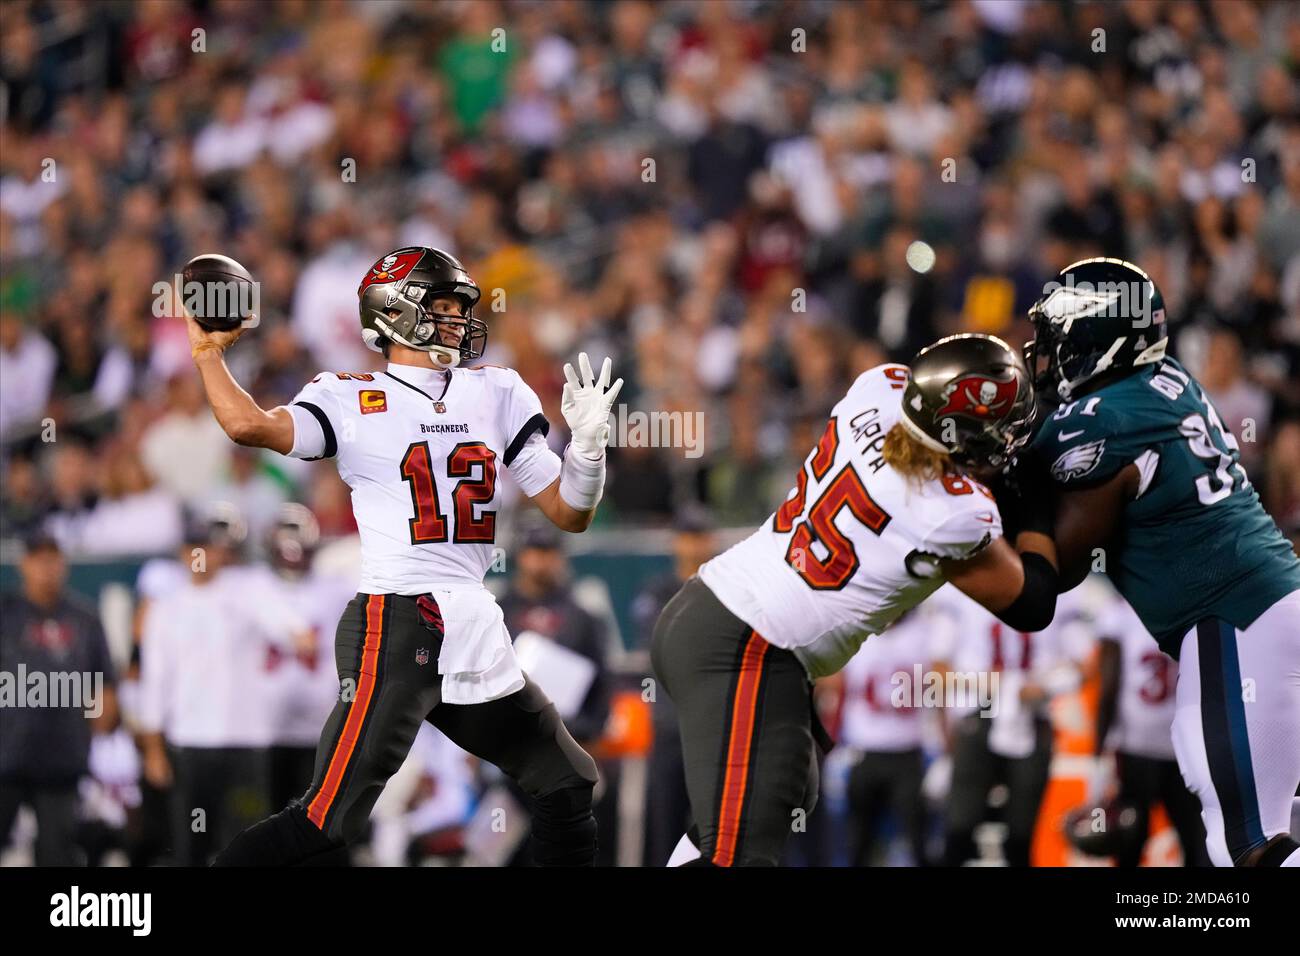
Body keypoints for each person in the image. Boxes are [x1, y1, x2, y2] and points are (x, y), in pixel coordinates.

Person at [188, 246, 622, 867]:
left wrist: (587, 451)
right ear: (391, 314)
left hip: (472, 620)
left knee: (567, 782)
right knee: (325, 820)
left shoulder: (497, 391)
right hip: (397, 623)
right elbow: (249, 425)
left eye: (457, 307)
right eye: (440, 305)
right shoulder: (350, 396)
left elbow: (569, 513)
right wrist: (208, 354)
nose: (455, 319)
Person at [652, 333, 1062, 867]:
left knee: (776, 802)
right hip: (746, 649)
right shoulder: (950, 513)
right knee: (739, 854)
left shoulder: (877, 388)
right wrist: (1035, 492)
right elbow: (1032, 602)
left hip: (714, 611)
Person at [1023, 257, 1300, 867]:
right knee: (1249, 838)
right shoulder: (1167, 379)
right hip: (1270, 610)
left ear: (1098, 340)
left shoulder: (1104, 419)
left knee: (1246, 849)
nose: (1045, 353)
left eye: (1058, 338)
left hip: (1232, 623)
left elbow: (1058, 567)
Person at [137, 507, 309, 865]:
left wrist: (294, 632)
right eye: (193, 548)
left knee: (247, 843)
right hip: (190, 743)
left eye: (208, 547)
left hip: (244, 743)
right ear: (182, 554)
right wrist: (153, 748)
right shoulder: (167, 607)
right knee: (190, 843)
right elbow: (155, 681)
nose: (200, 555)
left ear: (221, 551)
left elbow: (290, 629)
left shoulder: (247, 590)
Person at [0, 533, 118, 866]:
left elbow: (104, 681)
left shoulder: (85, 617)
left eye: (54, 559)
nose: (47, 567)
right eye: (39, 559)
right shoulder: (6, 613)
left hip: (62, 756)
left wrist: (99, 725)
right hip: (6, 753)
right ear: (24, 564)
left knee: (57, 854)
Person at [1094, 593, 1208, 867]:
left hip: (1137, 746)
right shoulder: (1196, 608)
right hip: (1185, 747)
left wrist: (1097, 756)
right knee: (1195, 841)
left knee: (1129, 842)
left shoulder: (1120, 614)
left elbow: (1108, 688)